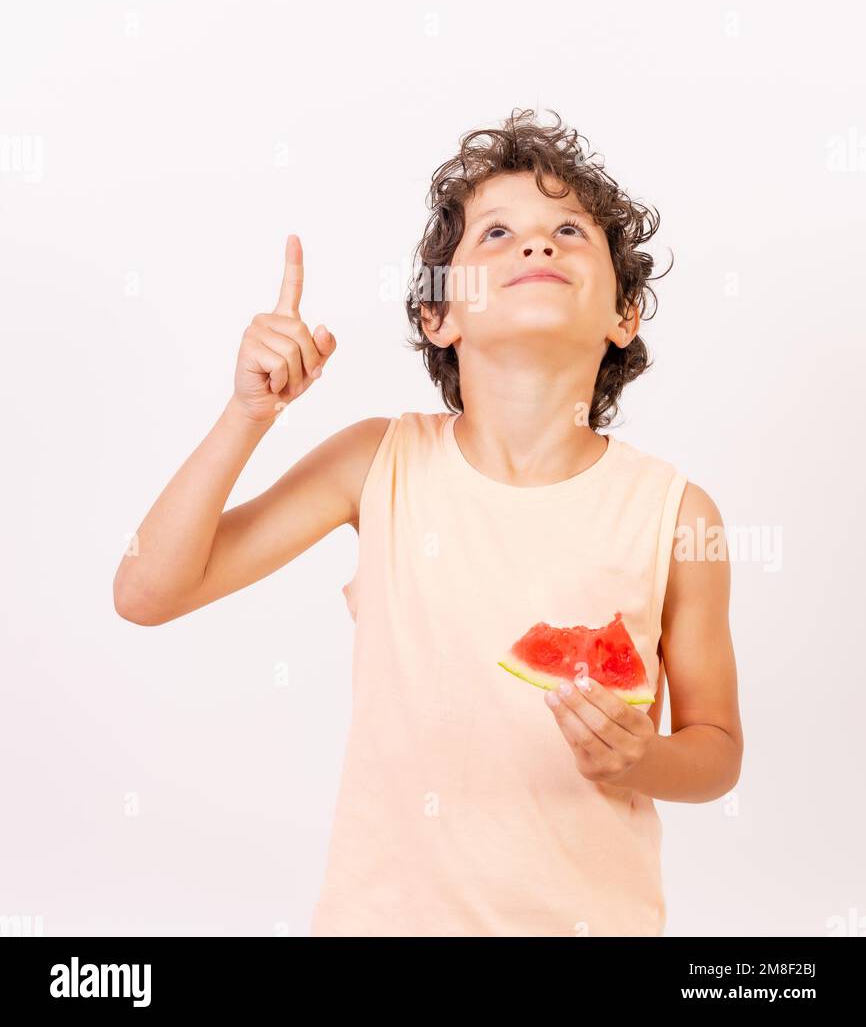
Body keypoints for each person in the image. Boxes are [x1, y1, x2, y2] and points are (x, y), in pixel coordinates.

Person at [114, 107, 743, 937]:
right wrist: (246, 416)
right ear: (438, 316)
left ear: (624, 315)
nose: (537, 244)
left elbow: (718, 748)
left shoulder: (674, 514)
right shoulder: (378, 463)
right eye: (496, 234)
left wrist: (646, 756)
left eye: (567, 230)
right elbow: (147, 591)